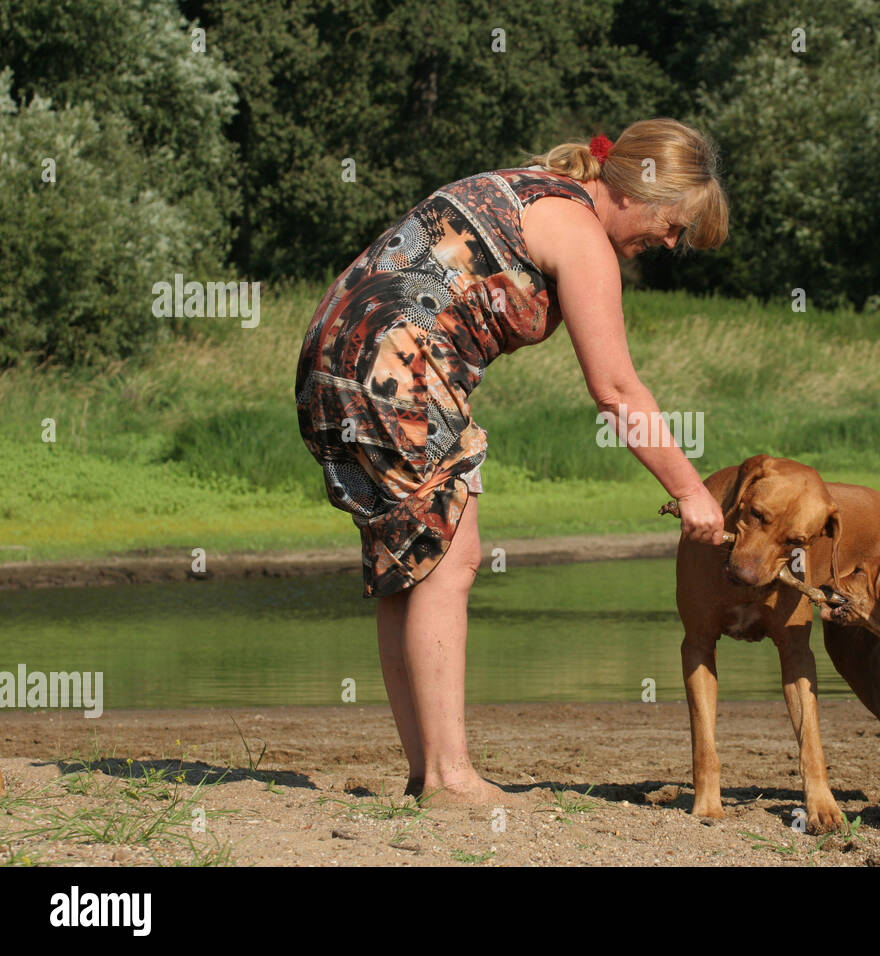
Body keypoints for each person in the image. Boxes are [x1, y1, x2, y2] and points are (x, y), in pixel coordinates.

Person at [294, 118, 729, 804]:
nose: (670, 244)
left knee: (408, 561)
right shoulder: (582, 234)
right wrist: (691, 488)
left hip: (335, 355)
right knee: (450, 556)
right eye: (673, 225)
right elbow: (616, 387)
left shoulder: (539, 190)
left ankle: (426, 771)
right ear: (639, 190)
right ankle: (448, 777)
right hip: (392, 365)